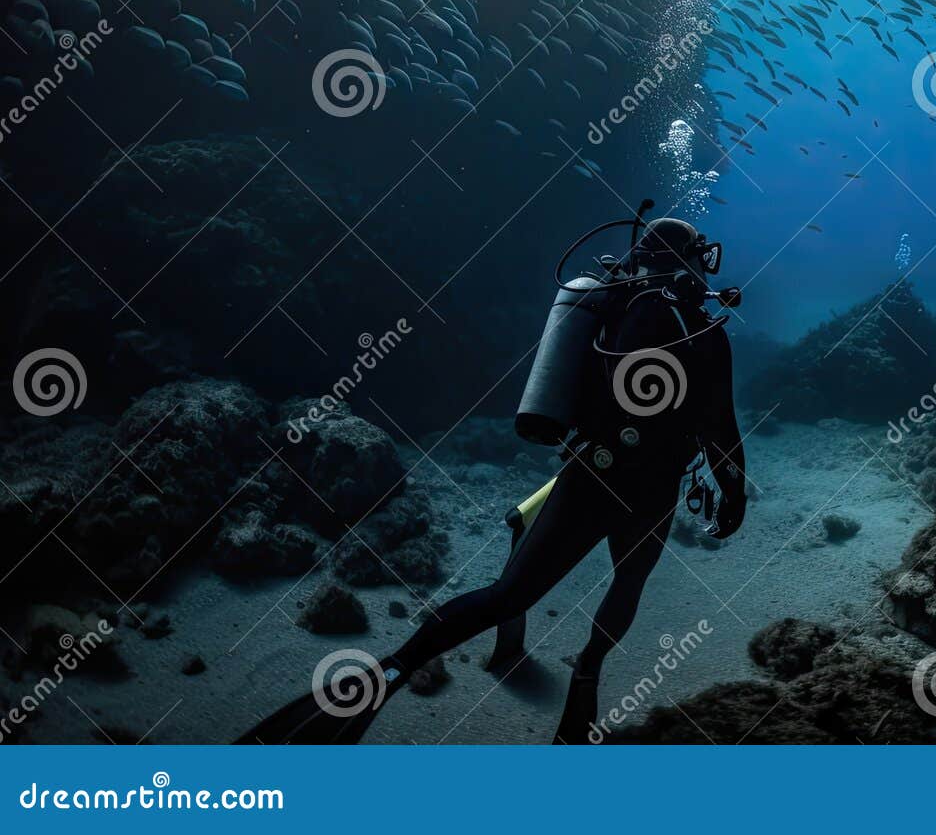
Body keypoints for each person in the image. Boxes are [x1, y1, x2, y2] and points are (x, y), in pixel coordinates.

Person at [242, 215, 746, 744]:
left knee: (507, 595)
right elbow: (720, 427)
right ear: (693, 261)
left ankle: (389, 672)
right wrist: (731, 492)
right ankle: (588, 672)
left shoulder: (610, 307)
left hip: (591, 474)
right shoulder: (704, 330)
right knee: (628, 581)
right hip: (653, 490)